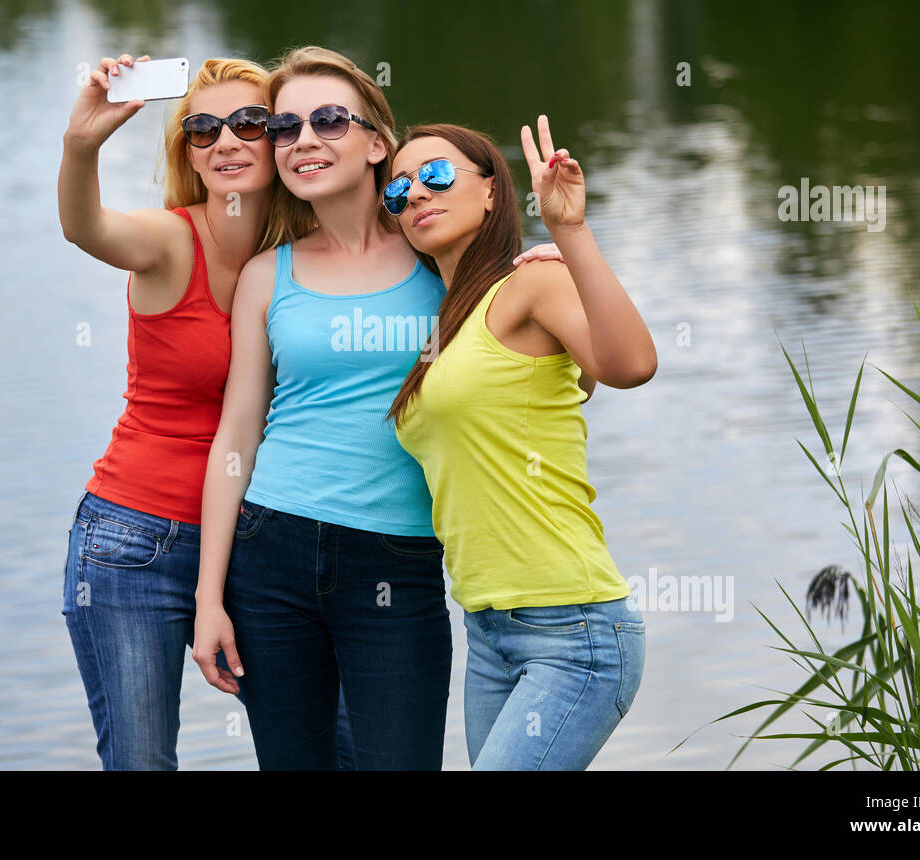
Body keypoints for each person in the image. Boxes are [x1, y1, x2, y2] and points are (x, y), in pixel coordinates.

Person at [191, 48, 563, 769]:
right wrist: (210, 598)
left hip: (400, 557)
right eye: (285, 126)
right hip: (270, 552)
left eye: (329, 120)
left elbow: (555, 375)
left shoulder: (440, 258)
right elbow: (236, 434)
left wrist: (560, 256)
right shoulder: (269, 274)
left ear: (377, 143)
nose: (304, 140)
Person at [58, 52, 356, 769]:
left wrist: (526, 261)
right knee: (143, 762)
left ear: (282, 135)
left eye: (250, 122)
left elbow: (415, 233)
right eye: (202, 130)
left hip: (263, 540)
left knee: (337, 752)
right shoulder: (168, 239)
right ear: (187, 152)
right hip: (135, 543)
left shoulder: (307, 251)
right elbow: (84, 228)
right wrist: (81, 145)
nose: (225, 140)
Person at [386, 117, 658, 770]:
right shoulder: (447, 326)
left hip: (573, 632)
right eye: (397, 191)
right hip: (488, 634)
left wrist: (570, 232)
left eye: (437, 175)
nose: (416, 193)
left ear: (491, 191)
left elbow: (631, 365)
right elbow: (564, 391)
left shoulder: (531, 284)